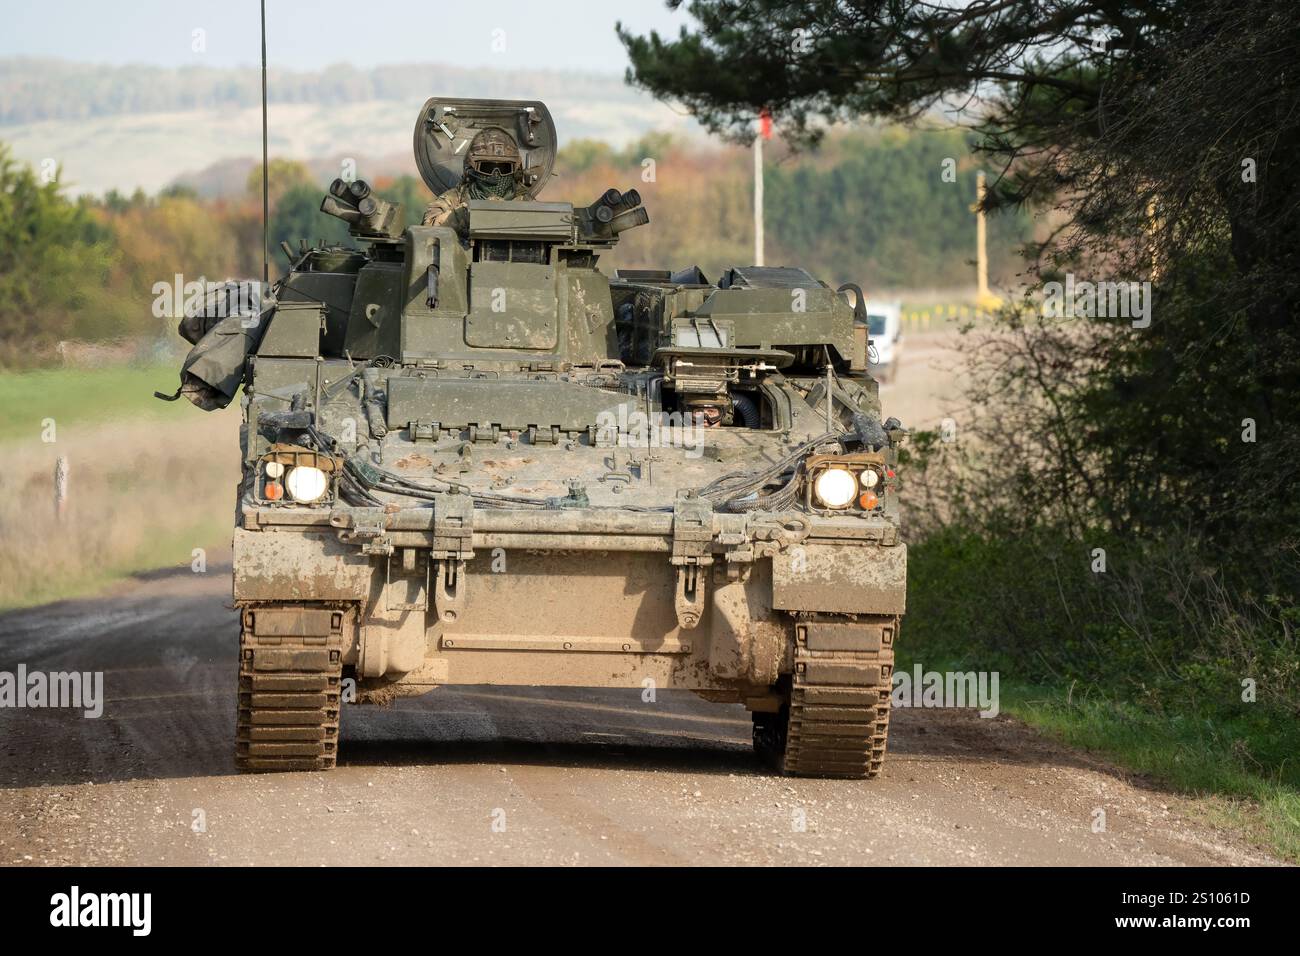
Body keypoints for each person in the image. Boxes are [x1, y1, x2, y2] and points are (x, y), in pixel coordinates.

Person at [422, 126, 525, 231]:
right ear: (472, 169)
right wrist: (465, 215)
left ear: (515, 171)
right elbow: (429, 229)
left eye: (504, 168)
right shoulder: (453, 200)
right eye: (487, 167)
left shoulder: (526, 203)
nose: (495, 174)